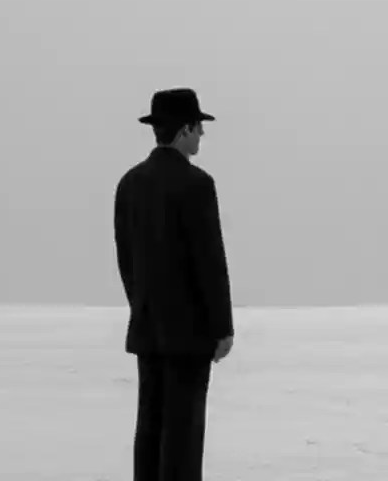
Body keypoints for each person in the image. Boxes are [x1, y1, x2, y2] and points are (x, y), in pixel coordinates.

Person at [114, 88, 235, 481]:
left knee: (149, 427)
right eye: (199, 127)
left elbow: (126, 261)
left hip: (148, 327)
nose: (202, 135)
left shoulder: (129, 184)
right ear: (185, 130)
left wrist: (143, 305)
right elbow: (209, 262)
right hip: (190, 333)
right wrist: (222, 328)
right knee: (183, 433)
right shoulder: (197, 184)